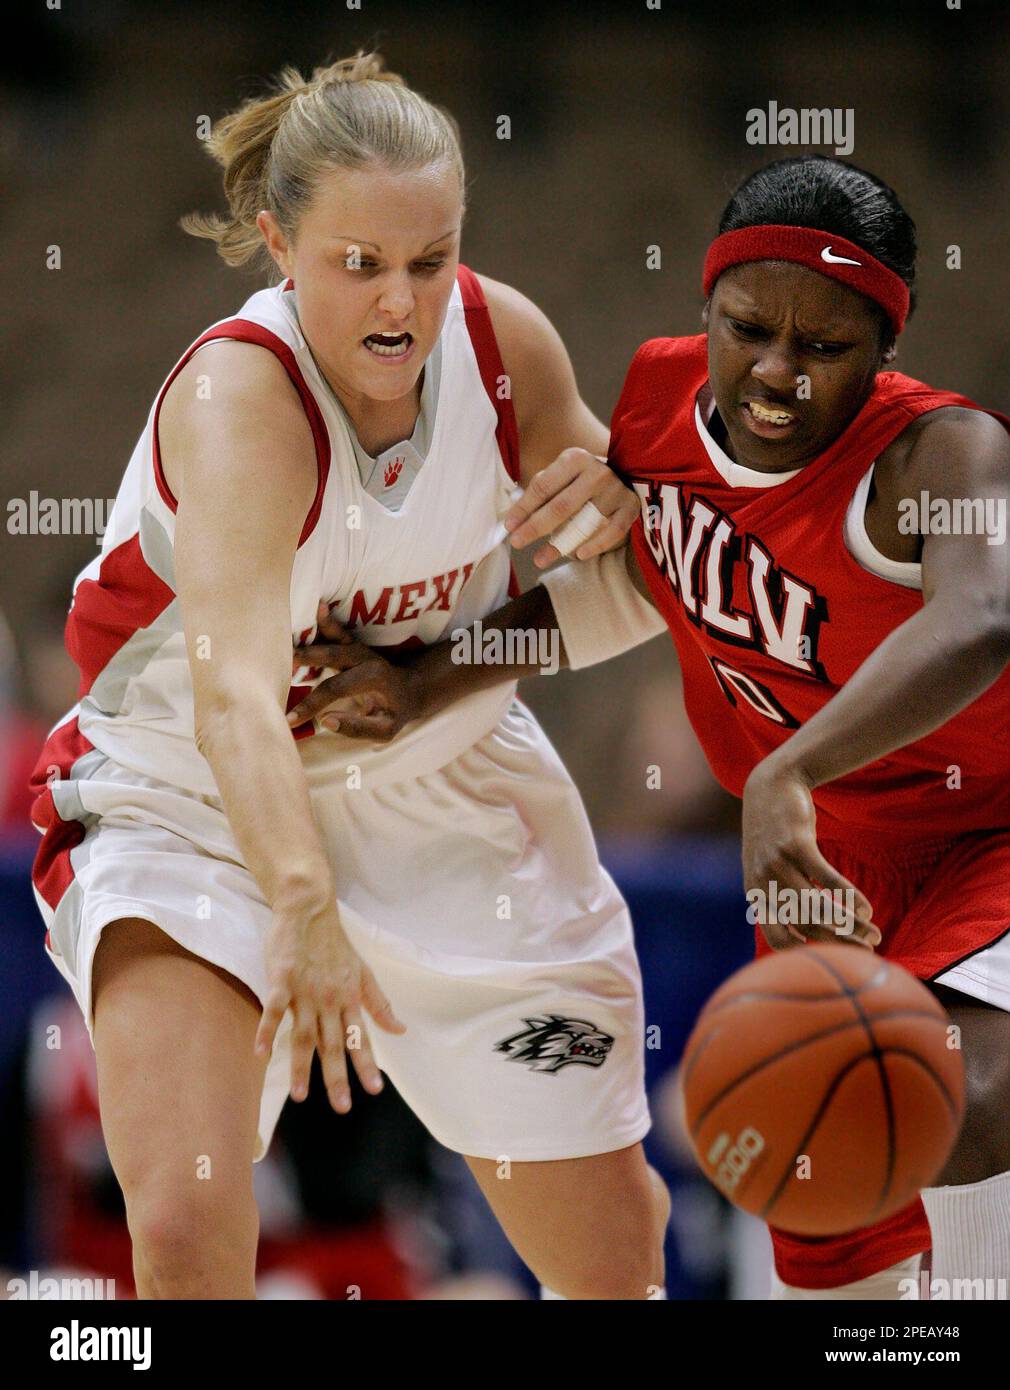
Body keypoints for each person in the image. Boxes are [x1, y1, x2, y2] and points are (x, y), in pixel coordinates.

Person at [292, 156, 1010, 1300]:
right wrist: (421, 680)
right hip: (828, 862)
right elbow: (630, 586)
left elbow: (985, 614)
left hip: (983, 831)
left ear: (885, 350)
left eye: (824, 347)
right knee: (822, 1182)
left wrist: (789, 766)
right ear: (703, 308)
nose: (775, 370)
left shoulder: (942, 452)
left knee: (961, 1094)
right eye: (748, 329)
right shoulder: (653, 402)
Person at [28, 51, 671, 1300]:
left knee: (612, 1256)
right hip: (196, 802)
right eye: (358, 264)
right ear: (279, 242)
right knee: (183, 1221)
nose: (400, 302)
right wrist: (305, 902)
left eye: (429, 260)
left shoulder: (504, 348)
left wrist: (439, 671)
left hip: (443, 787)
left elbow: (643, 581)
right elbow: (230, 701)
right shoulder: (240, 403)